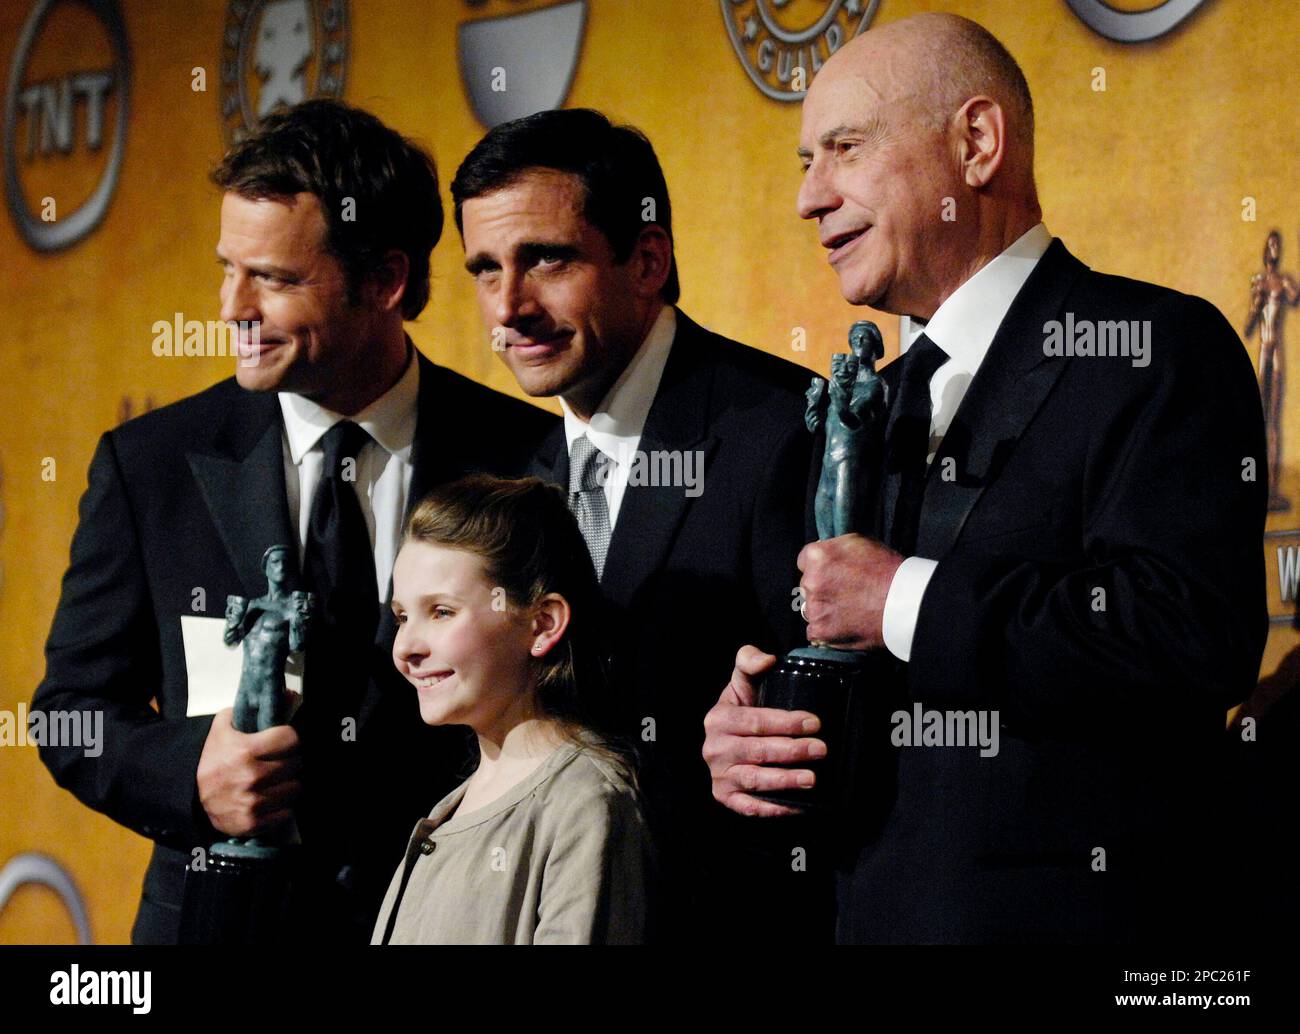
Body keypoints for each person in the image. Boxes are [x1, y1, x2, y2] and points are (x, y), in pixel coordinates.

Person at [702, 12, 1268, 943]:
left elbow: (1186, 637)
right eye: (805, 162)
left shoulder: (1150, 350)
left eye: (843, 147)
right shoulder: (853, 410)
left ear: (976, 143)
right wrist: (755, 734)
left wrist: (902, 600)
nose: (809, 197)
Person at [32, 99, 555, 944]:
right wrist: (190, 775)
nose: (231, 304)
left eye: (273, 279)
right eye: (227, 268)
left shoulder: (528, 455)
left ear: (384, 282)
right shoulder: (153, 465)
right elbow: (70, 713)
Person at [450, 108, 833, 941]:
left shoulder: (784, 431)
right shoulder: (507, 470)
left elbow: (827, 735)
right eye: (485, 269)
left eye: (545, 260)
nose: (509, 306)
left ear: (648, 259)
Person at [372, 475, 650, 944]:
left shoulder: (582, 804)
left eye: (441, 611)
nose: (406, 647)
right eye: (402, 617)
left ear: (541, 623)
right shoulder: (452, 807)